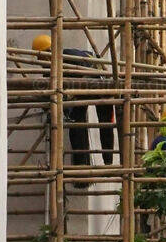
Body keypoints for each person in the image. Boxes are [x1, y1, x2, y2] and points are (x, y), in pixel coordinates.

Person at [32, 34, 116, 167]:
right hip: (82, 91)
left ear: (47, 53)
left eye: (40, 57)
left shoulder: (69, 56)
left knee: (105, 123)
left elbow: (90, 72)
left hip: (98, 85)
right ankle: (81, 166)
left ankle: (108, 161)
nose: (40, 61)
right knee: (77, 125)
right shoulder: (50, 68)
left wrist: (70, 95)